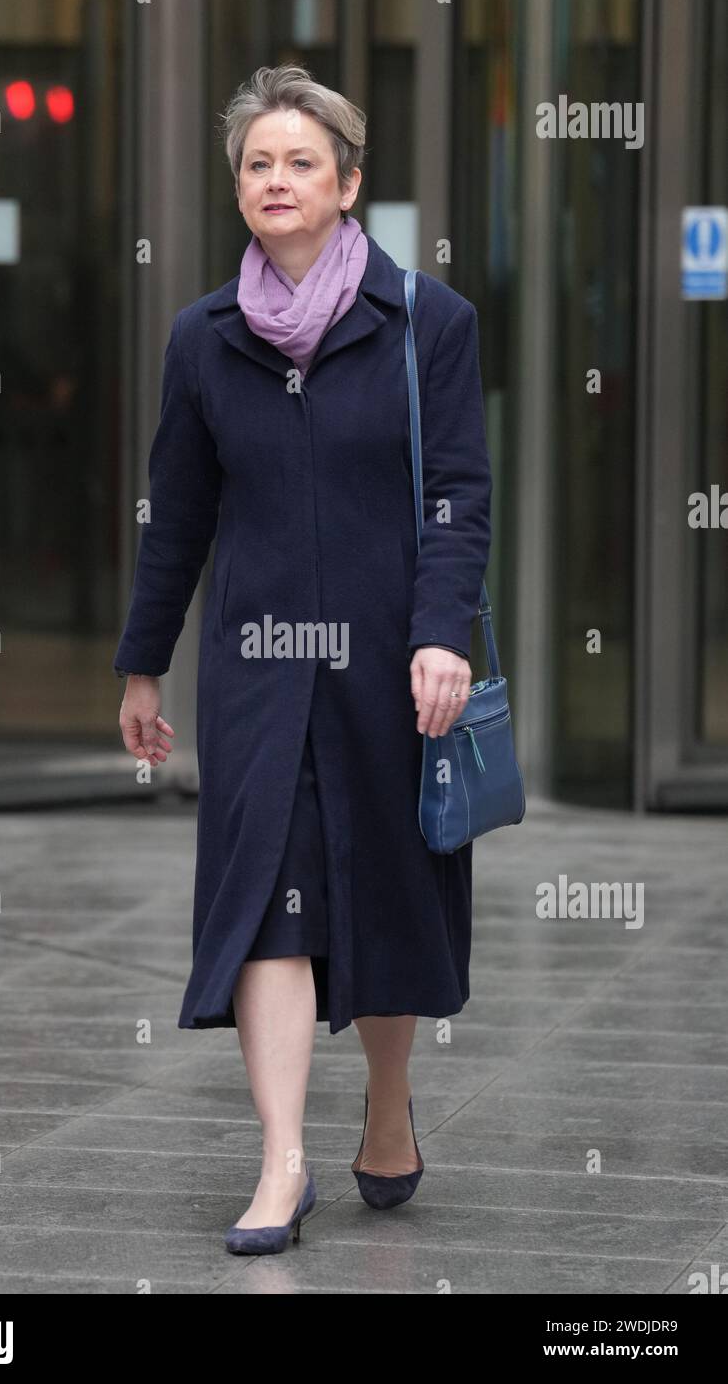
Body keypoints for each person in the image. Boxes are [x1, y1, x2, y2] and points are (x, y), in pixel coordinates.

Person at [114, 64, 492, 1256]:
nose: (275, 181)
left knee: (380, 885)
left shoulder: (426, 321)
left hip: (388, 663)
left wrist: (439, 631)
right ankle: (280, 1160)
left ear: (349, 184)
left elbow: (459, 498)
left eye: (299, 162)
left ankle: (386, 1105)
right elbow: (175, 515)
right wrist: (141, 665)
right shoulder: (203, 338)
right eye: (255, 165)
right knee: (265, 903)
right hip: (259, 666)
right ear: (236, 189)